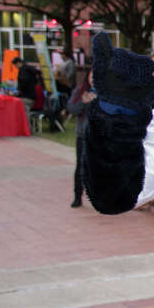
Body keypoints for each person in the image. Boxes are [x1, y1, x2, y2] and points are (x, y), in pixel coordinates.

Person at [66, 65, 94, 208]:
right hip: (83, 135)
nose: (93, 79)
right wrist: (83, 102)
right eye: (91, 76)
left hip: (100, 137)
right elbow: (71, 109)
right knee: (81, 166)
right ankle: (78, 195)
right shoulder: (80, 91)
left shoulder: (106, 93)